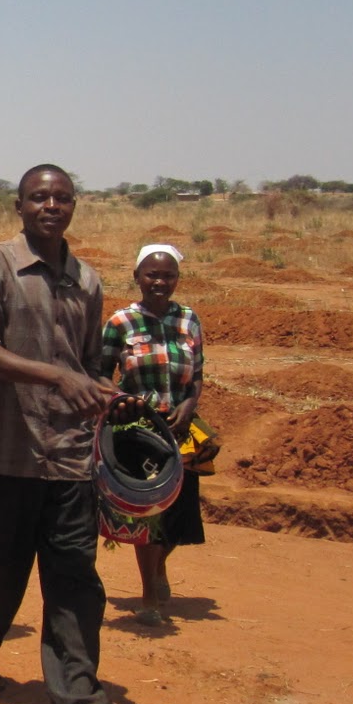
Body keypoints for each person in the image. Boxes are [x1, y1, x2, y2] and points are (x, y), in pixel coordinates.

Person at [0, 164, 142, 704]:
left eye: (60, 198)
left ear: (74, 206)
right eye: (39, 197)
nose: (50, 206)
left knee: (74, 579)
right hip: (4, 451)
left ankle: (75, 700)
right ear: (19, 206)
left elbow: (83, 363)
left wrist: (101, 393)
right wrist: (58, 377)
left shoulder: (88, 279)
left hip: (69, 456)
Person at [100, 244, 206, 626]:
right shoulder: (120, 322)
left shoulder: (189, 320)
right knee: (149, 514)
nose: (160, 282)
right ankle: (149, 597)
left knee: (179, 512)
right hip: (137, 431)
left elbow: (196, 377)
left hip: (179, 430)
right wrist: (121, 400)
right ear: (137, 278)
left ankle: (159, 565)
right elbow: (100, 372)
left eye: (168, 276)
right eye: (152, 275)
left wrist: (189, 406)